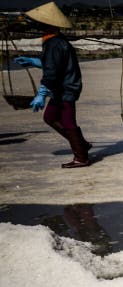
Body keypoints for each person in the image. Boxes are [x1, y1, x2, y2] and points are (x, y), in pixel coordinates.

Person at [14, 2, 91, 168]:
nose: (36, 25)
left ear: (46, 24)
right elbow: (53, 64)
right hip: (61, 88)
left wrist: (41, 93)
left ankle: (81, 157)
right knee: (49, 117)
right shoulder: (54, 40)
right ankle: (81, 144)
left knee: (68, 122)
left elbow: (52, 72)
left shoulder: (55, 43)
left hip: (66, 89)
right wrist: (33, 61)